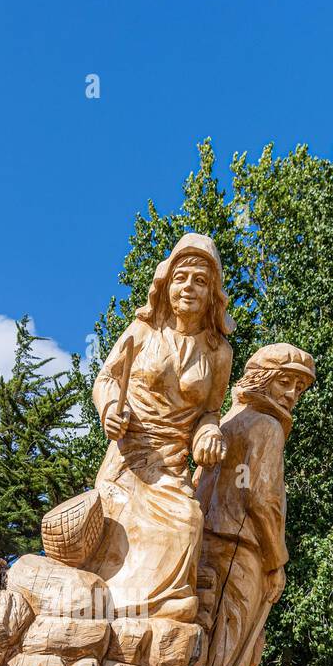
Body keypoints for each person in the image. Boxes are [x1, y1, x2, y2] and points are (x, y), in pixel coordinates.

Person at [88, 233, 234, 622]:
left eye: (200, 281)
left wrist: (208, 434)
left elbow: (210, 411)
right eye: (182, 278)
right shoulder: (142, 332)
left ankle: (142, 615)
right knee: (110, 528)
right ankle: (107, 611)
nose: (189, 288)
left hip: (170, 466)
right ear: (167, 284)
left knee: (187, 522)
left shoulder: (219, 354)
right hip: (128, 457)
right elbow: (106, 380)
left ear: (212, 292)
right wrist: (108, 411)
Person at [195, 342, 316, 666]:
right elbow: (262, 499)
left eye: (300, 387)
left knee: (207, 625)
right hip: (242, 546)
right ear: (261, 377)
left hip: (203, 538)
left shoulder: (226, 422)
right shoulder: (266, 426)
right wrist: (276, 561)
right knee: (230, 646)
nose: (292, 394)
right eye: (285, 381)